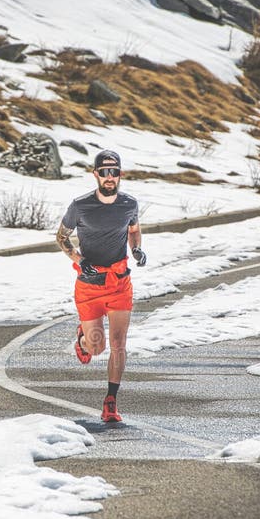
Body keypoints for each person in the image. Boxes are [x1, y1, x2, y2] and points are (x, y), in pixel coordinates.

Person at [56, 149, 146, 423]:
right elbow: (61, 236)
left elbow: (133, 229)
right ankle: (83, 338)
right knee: (97, 348)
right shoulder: (80, 206)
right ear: (95, 174)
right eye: (104, 172)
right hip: (89, 285)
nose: (110, 177)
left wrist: (137, 249)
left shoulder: (129, 204)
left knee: (119, 343)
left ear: (120, 175)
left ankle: (111, 401)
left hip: (119, 283)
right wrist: (77, 258)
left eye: (114, 172)